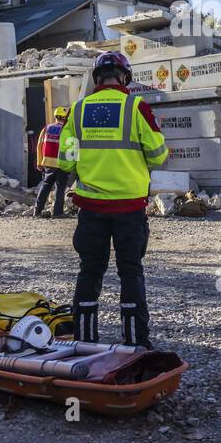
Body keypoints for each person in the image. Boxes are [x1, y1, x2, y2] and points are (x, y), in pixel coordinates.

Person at [56, 52, 168, 347]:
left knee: (90, 270)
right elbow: (158, 155)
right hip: (129, 208)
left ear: (97, 78)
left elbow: (66, 161)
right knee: (130, 271)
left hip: (91, 208)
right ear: (124, 77)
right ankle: (134, 343)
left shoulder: (77, 110)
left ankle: (85, 340)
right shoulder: (135, 106)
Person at [33, 105, 72, 217]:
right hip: (62, 163)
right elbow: (71, 148)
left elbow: (39, 146)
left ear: (56, 116)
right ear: (65, 118)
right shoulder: (67, 130)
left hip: (48, 163)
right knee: (60, 188)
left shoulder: (46, 128)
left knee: (45, 186)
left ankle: (37, 211)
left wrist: (39, 162)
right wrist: (73, 165)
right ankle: (57, 212)